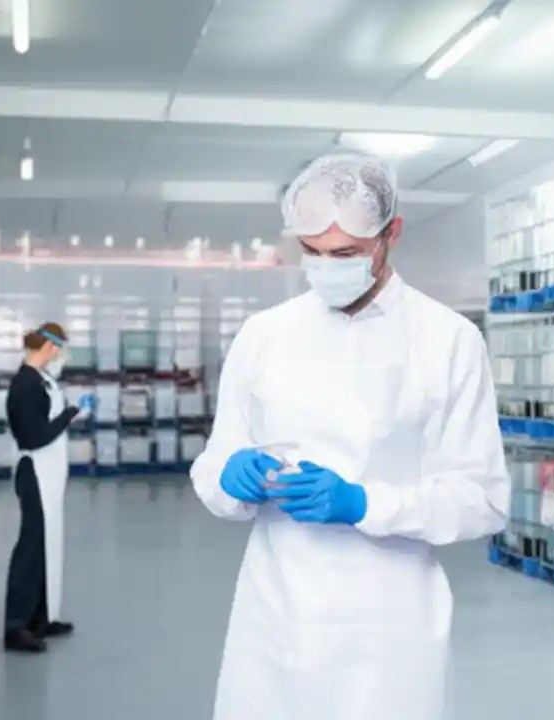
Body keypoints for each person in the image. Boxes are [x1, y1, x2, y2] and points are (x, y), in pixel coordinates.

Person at [190, 153, 510, 720]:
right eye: (311, 252)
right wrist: (229, 475)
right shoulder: (265, 335)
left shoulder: (447, 341)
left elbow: (481, 500)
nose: (325, 267)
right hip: (276, 614)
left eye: (345, 254)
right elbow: (215, 463)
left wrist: (364, 502)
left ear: (392, 234)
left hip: (388, 623)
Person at [3, 322, 94, 653]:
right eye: (61, 350)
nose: (61, 357)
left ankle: (41, 618)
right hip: (34, 474)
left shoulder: (42, 380)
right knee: (30, 547)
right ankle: (15, 626)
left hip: (49, 476)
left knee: (47, 545)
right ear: (50, 348)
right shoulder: (25, 384)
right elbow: (33, 436)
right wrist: (71, 414)